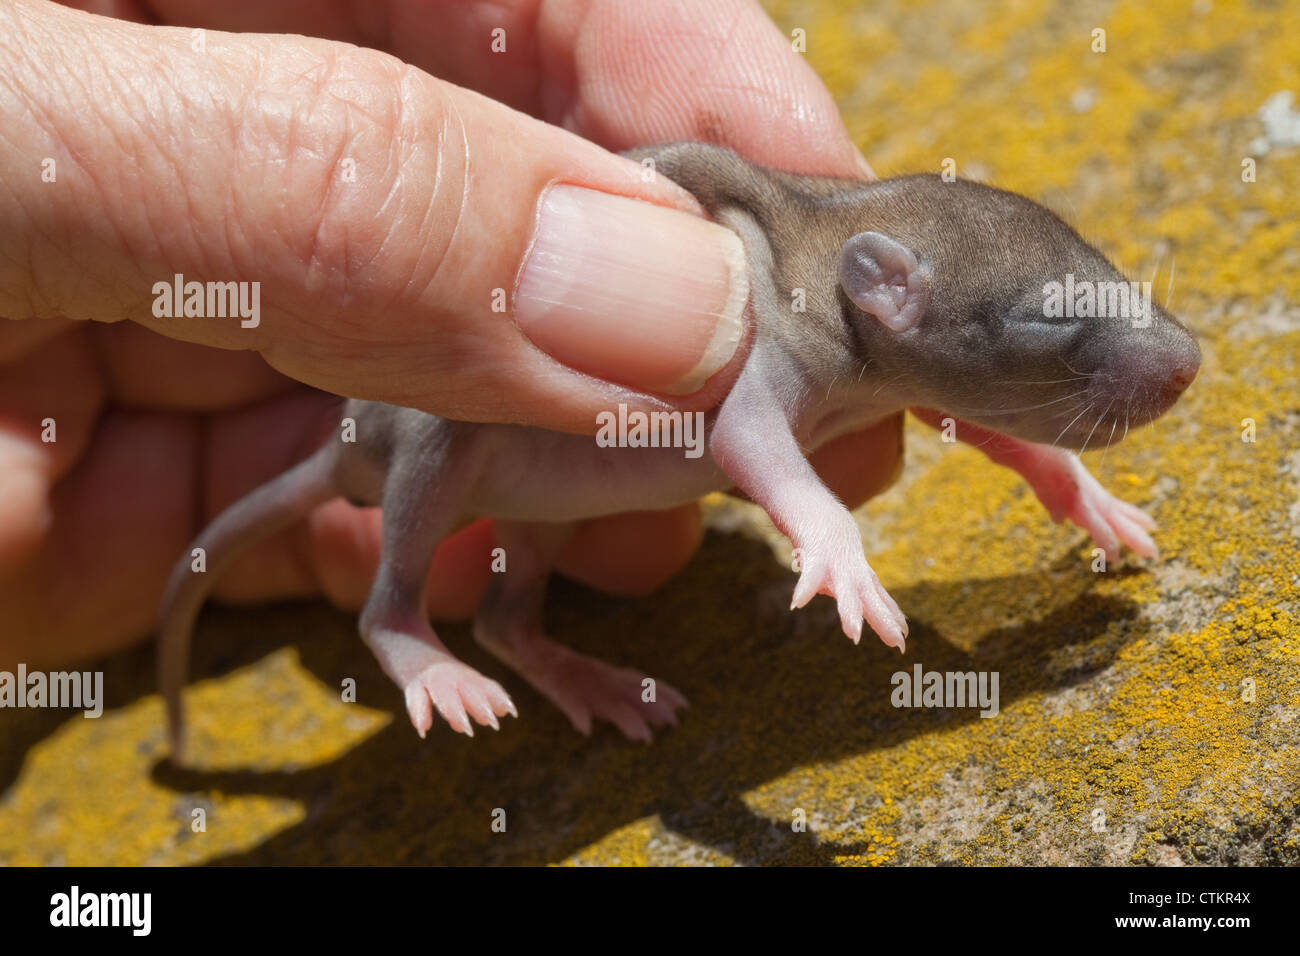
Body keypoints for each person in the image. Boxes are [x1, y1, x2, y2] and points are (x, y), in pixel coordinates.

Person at [0, 0, 903, 667]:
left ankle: (519, 633)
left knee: (569, 494)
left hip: (530, 443)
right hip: (411, 431)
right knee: (461, 409)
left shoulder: (842, 311)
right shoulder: (786, 273)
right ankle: (396, 616)